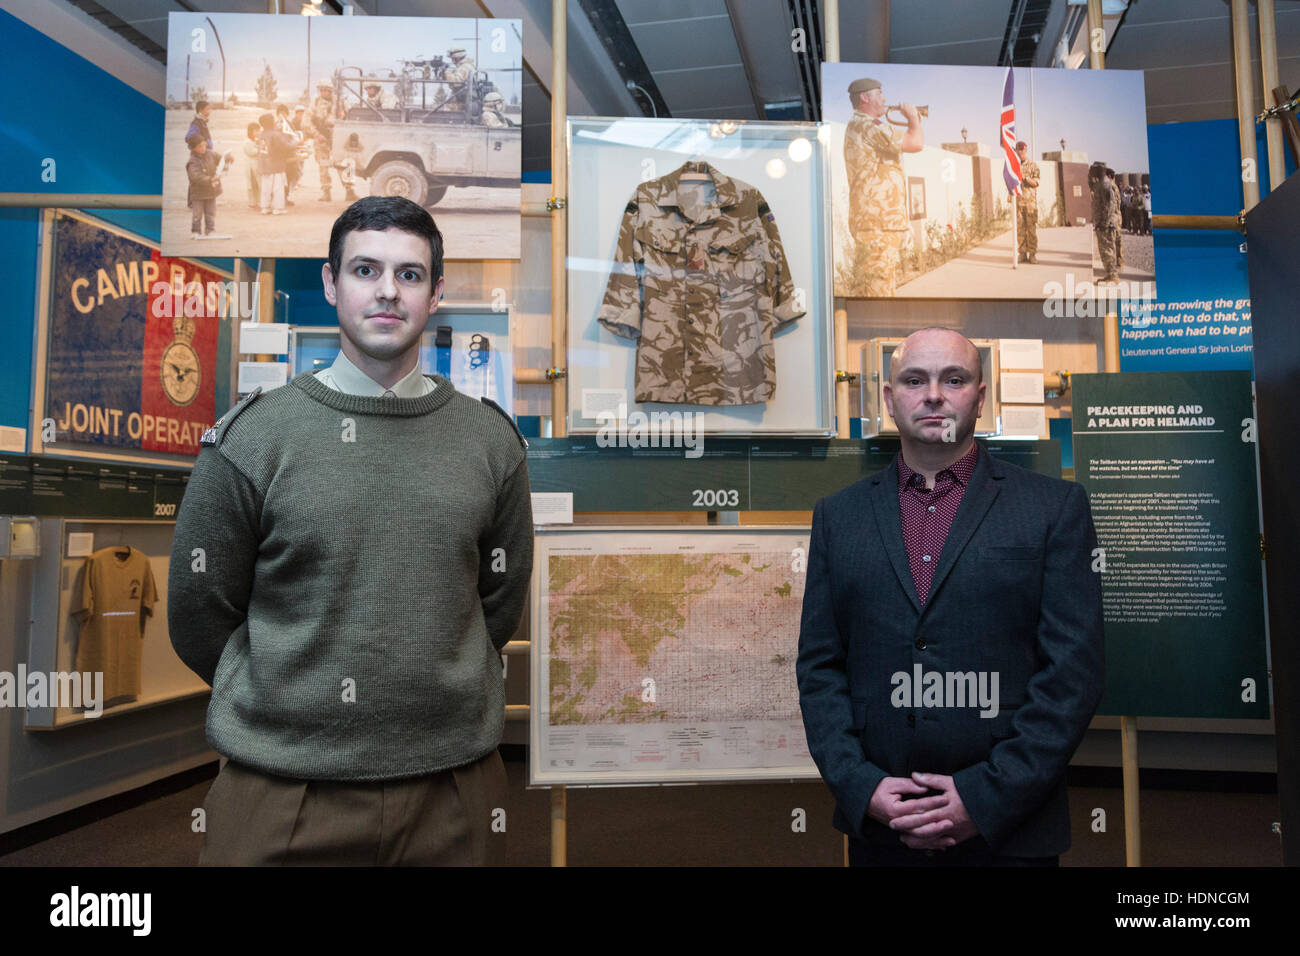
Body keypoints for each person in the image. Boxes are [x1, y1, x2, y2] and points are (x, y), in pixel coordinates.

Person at [168, 196, 534, 865]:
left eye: (410, 274)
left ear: (436, 292)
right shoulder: (254, 438)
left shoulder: (490, 443)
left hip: (450, 789)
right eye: (366, 270)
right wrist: (287, 698)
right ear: (332, 284)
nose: (388, 291)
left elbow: (496, 607)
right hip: (281, 790)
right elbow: (200, 610)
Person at [796, 327, 1104, 867]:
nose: (934, 394)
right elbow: (821, 668)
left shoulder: (1053, 508)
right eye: (914, 380)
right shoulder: (837, 517)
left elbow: (1072, 675)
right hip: (882, 824)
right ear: (890, 400)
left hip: (1009, 827)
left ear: (980, 398)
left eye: (953, 379)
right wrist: (860, 785)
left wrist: (985, 797)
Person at [843, 77, 923, 296]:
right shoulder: (867, 125)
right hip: (877, 224)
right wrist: (913, 119)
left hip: (878, 222)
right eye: (879, 93)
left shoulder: (864, 126)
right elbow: (915, 143)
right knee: (876, 291)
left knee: (880, 286)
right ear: (864, 97)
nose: (885, 99)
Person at [312, 79, 359, 202]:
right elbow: (306, 122)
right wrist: (317, 134)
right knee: (323, 167)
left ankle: (350, 191)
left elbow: (351, 115)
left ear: (331, 91)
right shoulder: (315, 103)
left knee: (345, 163)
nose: (324, 93)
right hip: (322, 140)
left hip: (338, 138)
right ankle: (326, 192)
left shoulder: (340, 102)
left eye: (326, 90)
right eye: (322, 90)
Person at [257, 112, 293, 216]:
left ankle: (265, 207)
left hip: (264, 164)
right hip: (276, 164)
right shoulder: (275, 134)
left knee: (266, 188)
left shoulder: (261, 134)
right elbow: (285, 146)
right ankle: (278, 208)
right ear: (271, 122)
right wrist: (295, 143)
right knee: (278, 187)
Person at [185, 133, 219, 238]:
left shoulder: (210, 154)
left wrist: (228, 158)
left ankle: (210, 230)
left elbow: (220, 158)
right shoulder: (192, 161)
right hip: (198, 192)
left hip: (210, 191)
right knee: (197, 214)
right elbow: (195, 177)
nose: (203, 148)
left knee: (210, 212)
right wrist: (210, 179)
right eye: (200, 146)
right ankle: (196, 231)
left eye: (204, 145)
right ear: (193, 148)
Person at [1090, 163, 1120, 282]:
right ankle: (1110, 274)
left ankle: (1112, 275)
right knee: (1106, 250)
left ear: (1100, 171)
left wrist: (1105, 224)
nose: (1091, 172)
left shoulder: (1105, 184)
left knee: (1107, 250)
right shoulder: (1100, 184)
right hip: (1102, 223)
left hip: (1106, 225)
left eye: (1093, 170)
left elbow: (1110, 205)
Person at [1015, 141, 1040, 264]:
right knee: (1020, 230)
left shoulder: (1033, 165)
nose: (1020, 152)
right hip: (1018, 203)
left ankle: (1033, 254)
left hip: (1030, 204)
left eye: (1022, 150)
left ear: (1026, 150)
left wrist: (1025, 178)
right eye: (1018, 150)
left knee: (1031, 230)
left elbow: (1036, 183)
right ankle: (1022, 253)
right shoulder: (1014, 166)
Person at [241, 122, 262, 209]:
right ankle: (253, 203)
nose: (257, 133)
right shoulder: (247, 142)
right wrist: (260, 148)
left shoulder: (255, 141)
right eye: (255, 131)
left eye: (258, 131)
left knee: (258, 184)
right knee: (253, 185)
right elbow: (252, 152)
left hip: (256, 165)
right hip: (251, 167)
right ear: (250, 132)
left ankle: (257, 201)